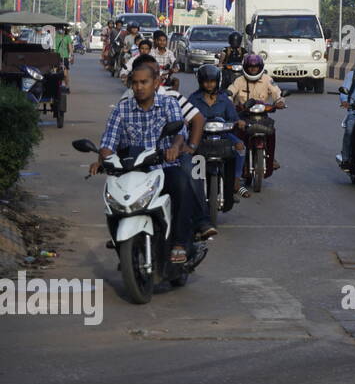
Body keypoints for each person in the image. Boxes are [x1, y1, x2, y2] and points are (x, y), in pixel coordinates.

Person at [94, 55, 215, 264]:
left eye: (144, 82)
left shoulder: (169, 103)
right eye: (135, 83)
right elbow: (108, 142)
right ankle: (118, 240)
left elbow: (180, 131)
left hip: (163, 168)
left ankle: (180, 242)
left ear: (156, 83)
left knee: (181, 182)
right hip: (132, 173)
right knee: (111, 194)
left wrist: (176, 148)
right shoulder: (122, 109)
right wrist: (103, 159)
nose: (139, 87)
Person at [190, 63, 250, 200]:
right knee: (187, 152)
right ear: (201, 82)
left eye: (212, 81)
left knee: (240, 146)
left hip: (223, 135)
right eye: (206, 82)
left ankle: (235, 180)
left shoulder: (224, 99)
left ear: (217, 82)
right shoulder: (193, 98)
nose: (209, 85)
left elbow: (233, 118)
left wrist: (238, 122)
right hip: (201, 135)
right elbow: (186, 115)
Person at [227, 53, 285, 179]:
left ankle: (270, 159)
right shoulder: (239, 80)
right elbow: (230, 92)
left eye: (256, 67)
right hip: (243, 114)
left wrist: (279, 101)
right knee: (237, 133)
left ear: (260, 67)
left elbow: (276, 92)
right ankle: (235, 161)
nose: (253, 69)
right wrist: (228, 100)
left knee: (271, 132)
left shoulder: (267, 79)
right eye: (250, 67)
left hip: (262, 114)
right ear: (246, 67)